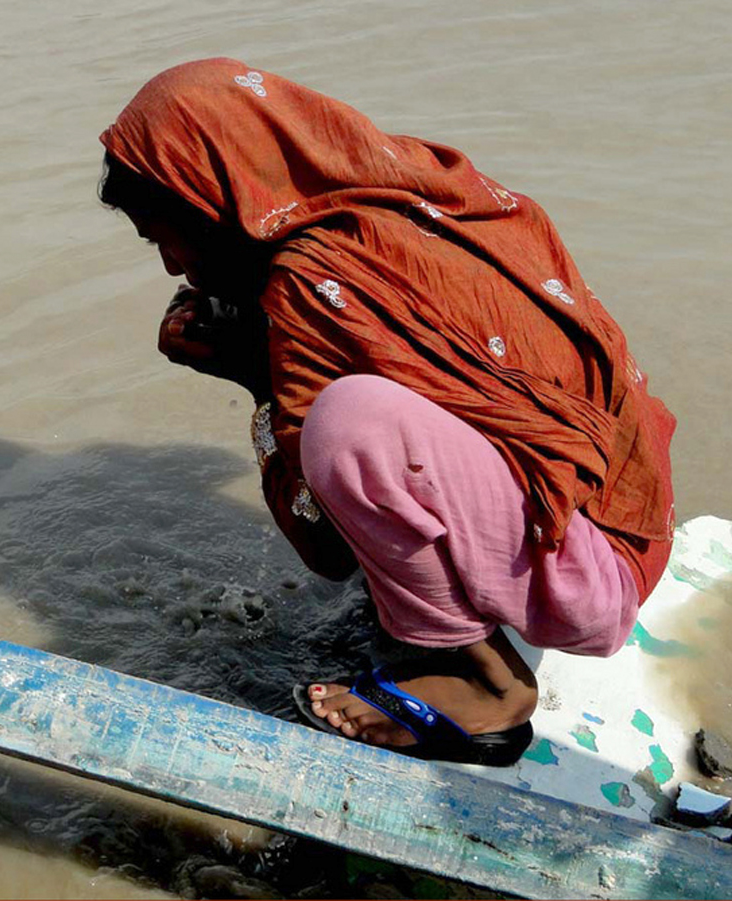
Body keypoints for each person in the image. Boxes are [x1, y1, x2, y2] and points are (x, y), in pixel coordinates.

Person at [98, 59, 676, 766]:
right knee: (366, 425)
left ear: (213, 197)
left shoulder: (313, 286)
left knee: (348, 426)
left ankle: (486, 683)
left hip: (587, 582)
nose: (170, 266)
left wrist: (257, 380)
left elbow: (327, 550)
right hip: (627, 526)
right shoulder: (400, 191)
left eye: (166, 236)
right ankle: (454, 625)